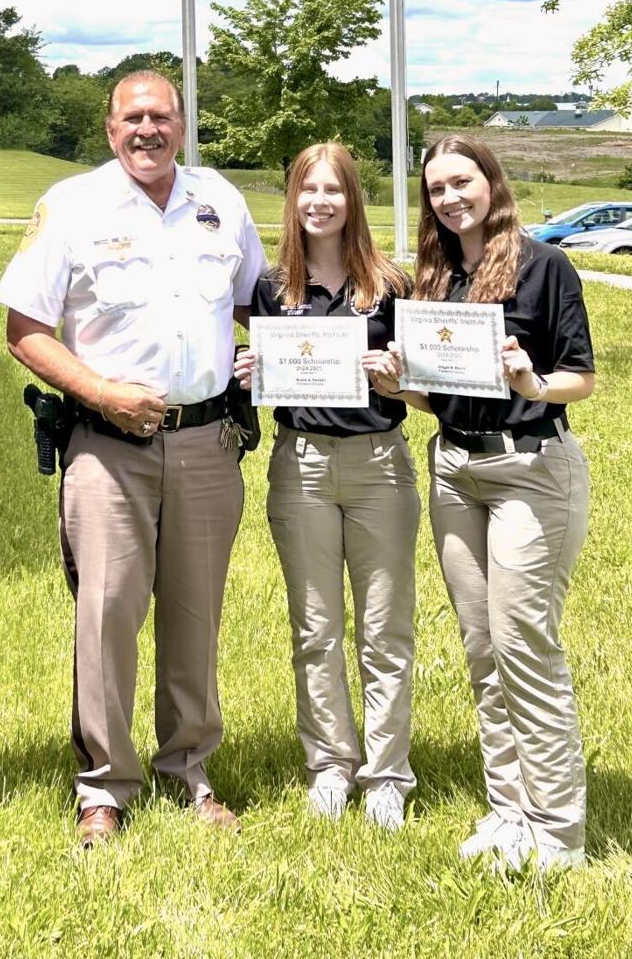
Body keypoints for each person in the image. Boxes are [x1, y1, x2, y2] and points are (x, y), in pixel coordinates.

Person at [0, 71, 267, 847]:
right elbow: (26, 328)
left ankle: (189, 768)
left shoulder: (220, 201)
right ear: (109, 127)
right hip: (109, 447)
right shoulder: (74, 205)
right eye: (132, 118)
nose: (148, 129)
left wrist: (317, 336)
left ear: (181, 124)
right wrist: (105, 392)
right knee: (107, 614)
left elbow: (259, 303)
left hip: (208, 442)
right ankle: (104, 787)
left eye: (162, 116)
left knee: (195, 616)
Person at [368, 135, 594, 874]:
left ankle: (557, 830)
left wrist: (533, 381)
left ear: (491, 182)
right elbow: (436, 391)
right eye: (436, 188)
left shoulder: (545, 266)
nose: (450, 197)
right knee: (483, 651)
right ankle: (508, 811)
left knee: (525, 645)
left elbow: (580, 380)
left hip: (529, 467)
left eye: (461, 181)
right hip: (456, 468)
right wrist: (395, 383)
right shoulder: (433, 278)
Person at [234, 143, 419, 831]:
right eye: (307, 188)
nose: (319, 201)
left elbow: (422, 385)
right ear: (293, 198)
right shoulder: (271, 289)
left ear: (353, 199)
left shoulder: (392, 285)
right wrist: (251, 369)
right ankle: (330, 766)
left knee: (385, 628)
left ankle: (387, 774)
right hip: (302, 464)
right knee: (315, 628)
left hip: (379, 464)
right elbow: (263, 372)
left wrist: (398, 375)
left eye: (333, 189)